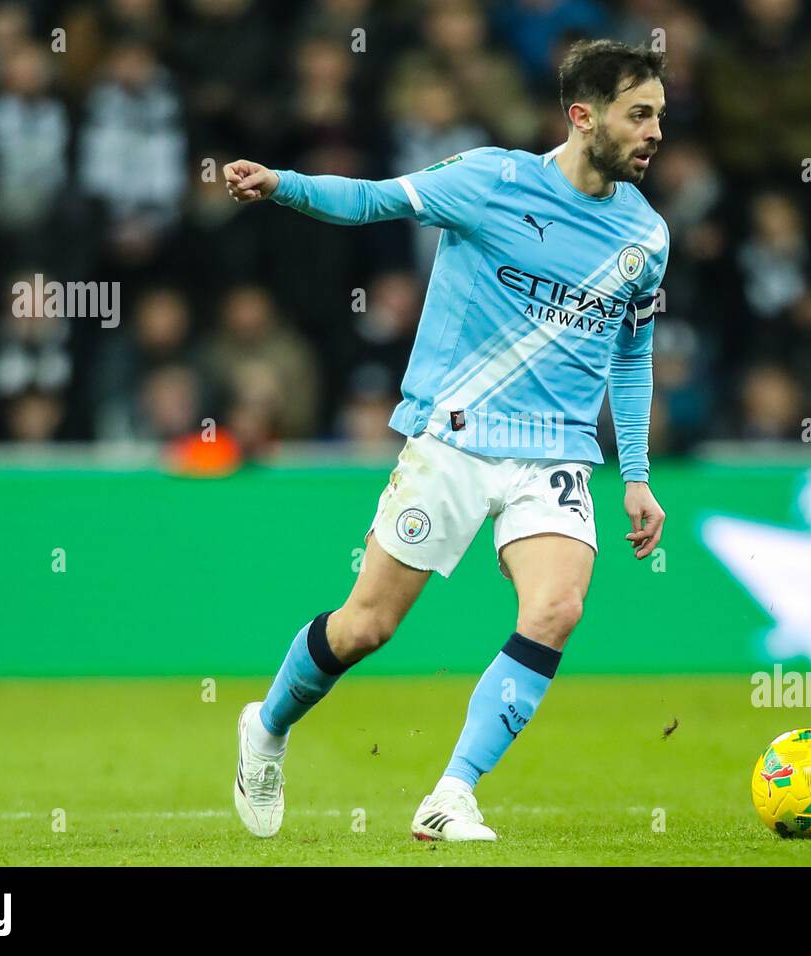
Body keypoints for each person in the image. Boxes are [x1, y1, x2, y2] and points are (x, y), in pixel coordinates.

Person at [222, 39, 668, 842]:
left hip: (557, 454)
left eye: (660, 117)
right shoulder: (491, 182)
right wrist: (280, 184)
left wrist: (635, 474)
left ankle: (452, 793)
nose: (654, 132)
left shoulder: (646, 236)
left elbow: (631, 356)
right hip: (456, 438)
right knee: (366, 627)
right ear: (583, 116)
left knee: (557, 608)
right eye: (639, 115)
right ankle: (268, 724)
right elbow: (371, 200)